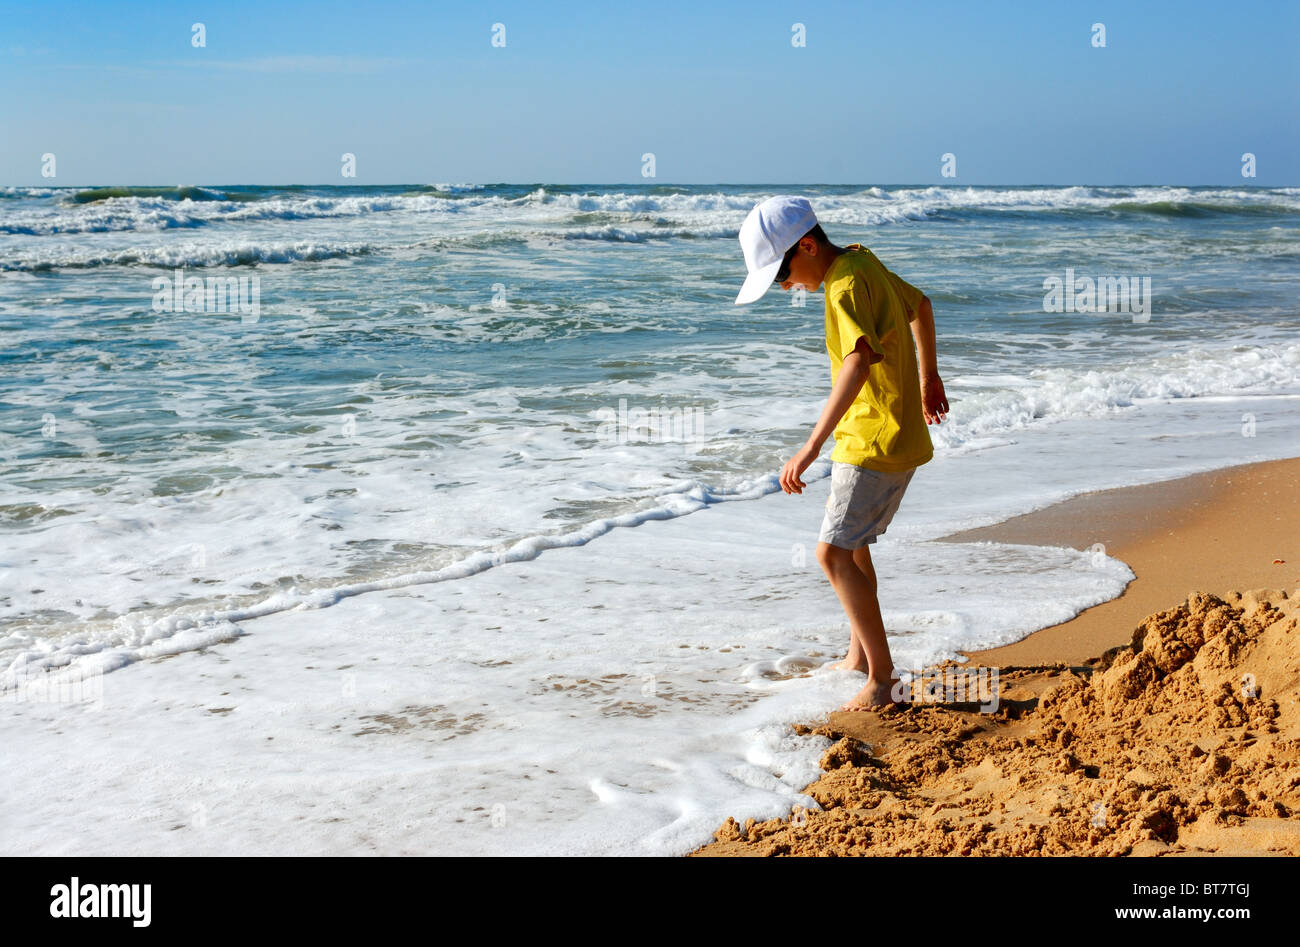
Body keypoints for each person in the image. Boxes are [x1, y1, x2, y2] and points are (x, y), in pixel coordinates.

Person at [735, 195, 949, 711]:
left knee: (830, 554)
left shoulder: (844, 286)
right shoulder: (861, 260)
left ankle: (882, 679)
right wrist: (929, 377)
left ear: (806, 246)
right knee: (853, 547)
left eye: (782, 276)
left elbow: (856, 362)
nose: (786, 288)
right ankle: (859, 657)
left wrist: (809, 449)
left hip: (870, 441)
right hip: (894, 436)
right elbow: (919, 305)